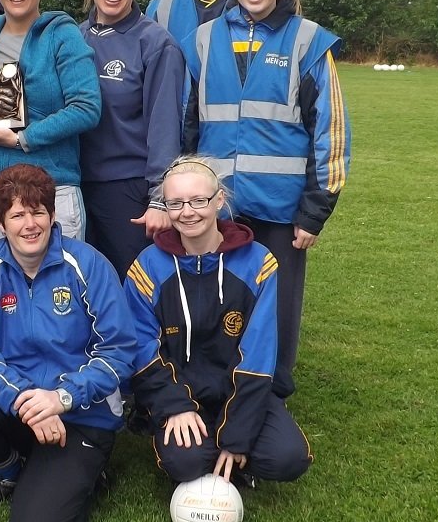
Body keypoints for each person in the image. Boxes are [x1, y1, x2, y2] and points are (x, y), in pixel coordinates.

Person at [183, 0, 350, 398]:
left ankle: (269, 399)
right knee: (215, 298)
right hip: (216, 206)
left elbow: (331, 133)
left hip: (281, 210)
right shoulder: (203, 39)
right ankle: (212, 389)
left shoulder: (309, 42)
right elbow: (185, 124)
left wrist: (315, 210)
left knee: (273, 310)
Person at [0, 164, 136, 522]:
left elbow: (119, 351)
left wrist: (61, 398)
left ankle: (86, 473)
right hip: (24, 408)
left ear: (51, 215)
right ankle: (12, 474)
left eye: (38, 212)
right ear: (0, 222)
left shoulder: (89, 264)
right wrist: (30, 401)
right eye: (17, 215)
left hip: (81, 415)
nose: (30, 224)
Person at [125, 159, 312, 491]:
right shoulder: (148, 266)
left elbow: (259, 352)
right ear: (165, 207)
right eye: (176, 204)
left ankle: (229, 446)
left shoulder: (259, 261)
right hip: (183, 393)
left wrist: (237, 433)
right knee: (186, 463)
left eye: (199, 201)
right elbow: (139, 348)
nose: (188, 212)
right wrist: (175, 407)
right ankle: (199, 442)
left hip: (238, 391)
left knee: (288, 458)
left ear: (219, 200)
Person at [0, 0, 100, 246]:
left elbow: (86, 107)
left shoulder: (62, 34)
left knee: (59, 288)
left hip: (52, 188)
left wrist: (22, 139)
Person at [78, 0, 188, 278]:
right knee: (84, 289)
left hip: (127, 190)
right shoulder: (73, 38)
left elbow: (165, 125)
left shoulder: (155, 43)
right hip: (74, 186)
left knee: (130, 289)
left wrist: (159, 197)